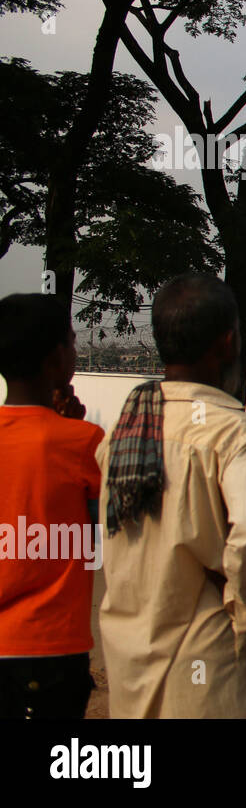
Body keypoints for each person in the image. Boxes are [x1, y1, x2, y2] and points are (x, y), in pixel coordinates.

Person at [97, 274, 246, 717]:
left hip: (132, 658)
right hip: (212, 668)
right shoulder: (232, 434)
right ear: (228, 343)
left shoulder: (124, 432)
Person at [0, 294, 102, 718]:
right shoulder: (84, 443)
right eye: (74, 343)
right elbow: (92, 539)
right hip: (53, 648)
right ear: (57, 358)